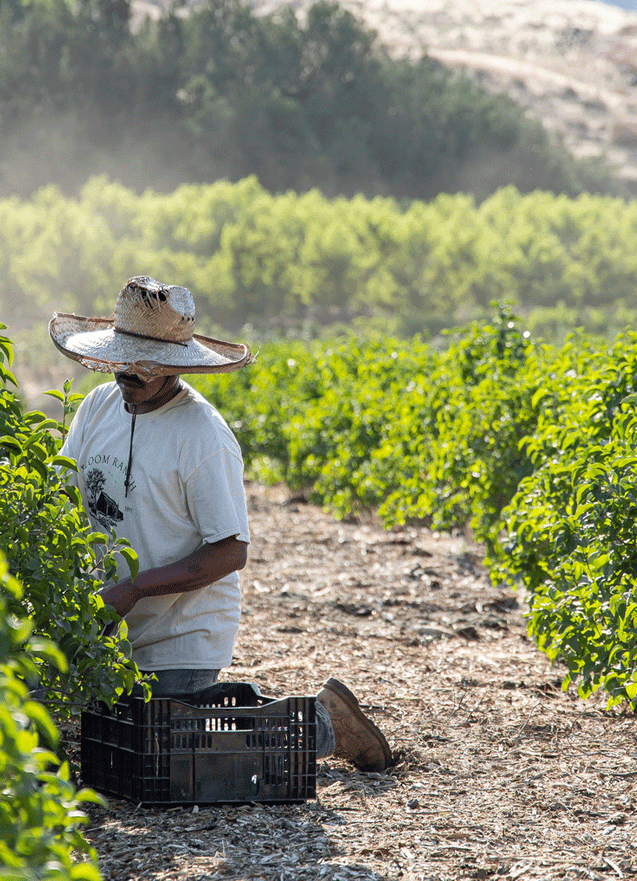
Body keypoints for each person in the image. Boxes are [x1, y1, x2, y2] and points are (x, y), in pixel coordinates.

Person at [50, 275, 392, 772]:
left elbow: (230, 551)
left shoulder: (202, 435)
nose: (130, 372)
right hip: (109, 628)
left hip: (179, 634)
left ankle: (325, 724)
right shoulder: (98, 407)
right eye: (123, 358)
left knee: (179, 759)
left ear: (175, 367)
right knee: (114, 746)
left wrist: (134, 589)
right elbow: (62, 491)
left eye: (146, 364)